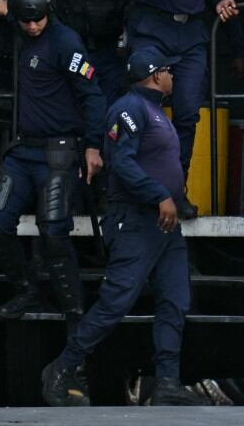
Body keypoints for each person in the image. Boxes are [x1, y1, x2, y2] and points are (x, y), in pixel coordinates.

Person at [41, 47, 203, 407]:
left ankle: (168, 383)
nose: (173, 77)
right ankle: (63, 368)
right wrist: (160, 195)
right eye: (169, 71)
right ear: (156, 75)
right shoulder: (129, 109)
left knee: (175, 300)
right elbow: (123, 163)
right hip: (135, 221)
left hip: (164, 225)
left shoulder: (155, 112)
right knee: (115, 302)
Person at [0, 0, 106, 323]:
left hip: (59, 152)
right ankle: (26, 289)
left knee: (53, 230)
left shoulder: (66, 42)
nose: (32, 26)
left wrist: (93, 145)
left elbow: (93, 96)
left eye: (38, 19)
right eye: (25, 20)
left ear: (49, 12)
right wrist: (6, 12)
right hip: (23, 151)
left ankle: (74, 311)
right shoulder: (21, 26)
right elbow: (12, 14)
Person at [117, 0, 239, 220]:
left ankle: (175, 190)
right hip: (152, 28)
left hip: (191, 35)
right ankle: (139, 190)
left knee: (187, 114)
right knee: (143, 111)